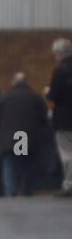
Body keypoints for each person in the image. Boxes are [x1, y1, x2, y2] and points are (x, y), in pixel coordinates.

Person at [0, 73, 49, 197]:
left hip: (9, 139)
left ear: (13, 82)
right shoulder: (35, 97)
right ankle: (26, 192)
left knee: (10, 164)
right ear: (26, 82)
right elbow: (44, 119)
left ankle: (10, 192)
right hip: (28, 138)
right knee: (27, 165)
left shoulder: (4, 97)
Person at [46, 38, 72, 196]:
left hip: (64, 120)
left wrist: (46, 92)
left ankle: (69, 185)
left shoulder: (60, 71)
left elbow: (54, 95)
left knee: (67, 153)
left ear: (59, 53)